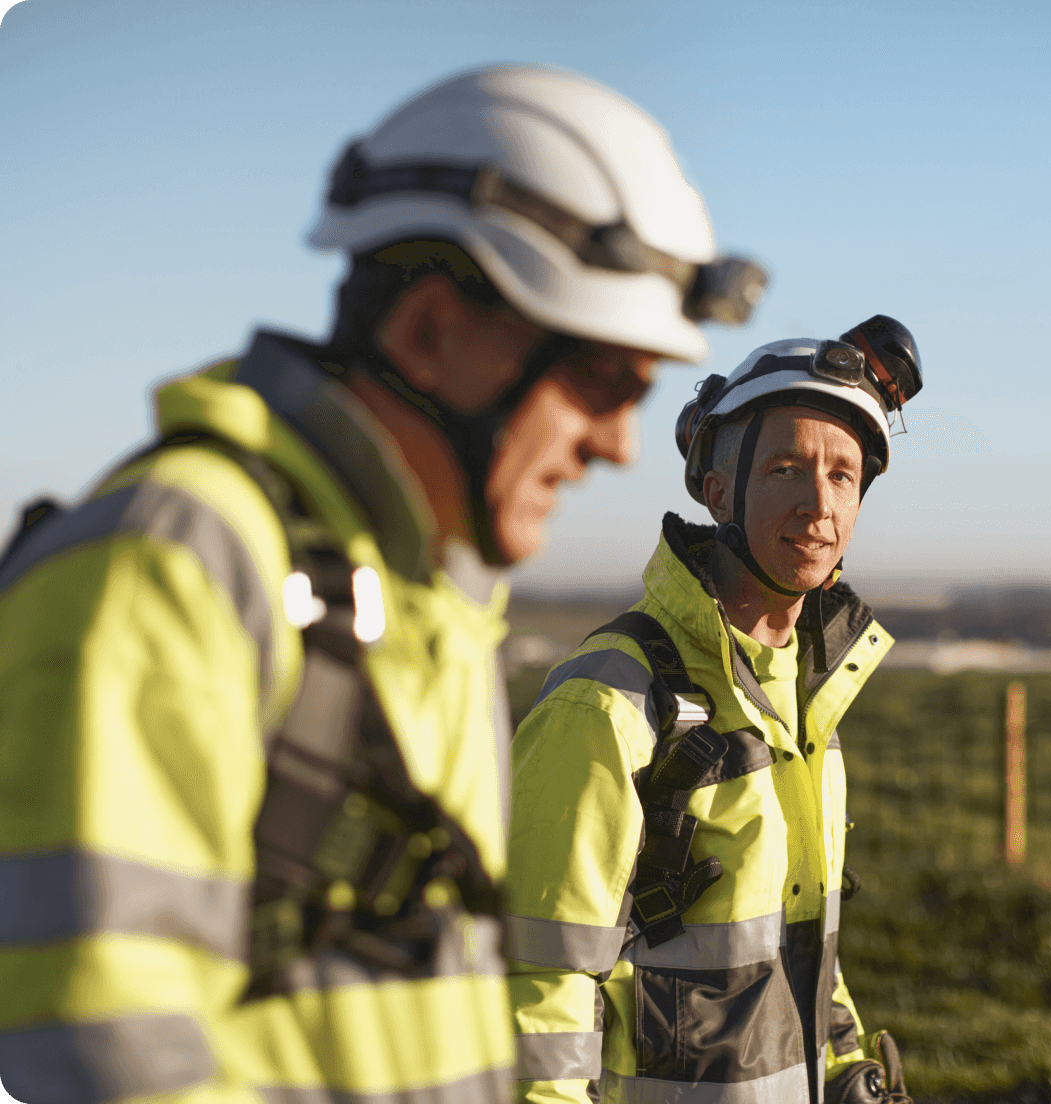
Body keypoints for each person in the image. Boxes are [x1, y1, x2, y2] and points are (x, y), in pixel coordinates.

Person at [0, 65, 765, 1103]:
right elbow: (108, 1057)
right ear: (431, 332)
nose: (619, 446)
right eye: (597, 382)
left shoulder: (420, 598)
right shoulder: (171, 563)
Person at [505, 317, 924, 1104]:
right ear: (716, 487)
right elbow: (539, 982)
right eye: (785, 469)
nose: (818, 503)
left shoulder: (807, 707)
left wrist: (844, 1071)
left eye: (842, 475)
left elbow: (805, 955)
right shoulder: (608, 701)